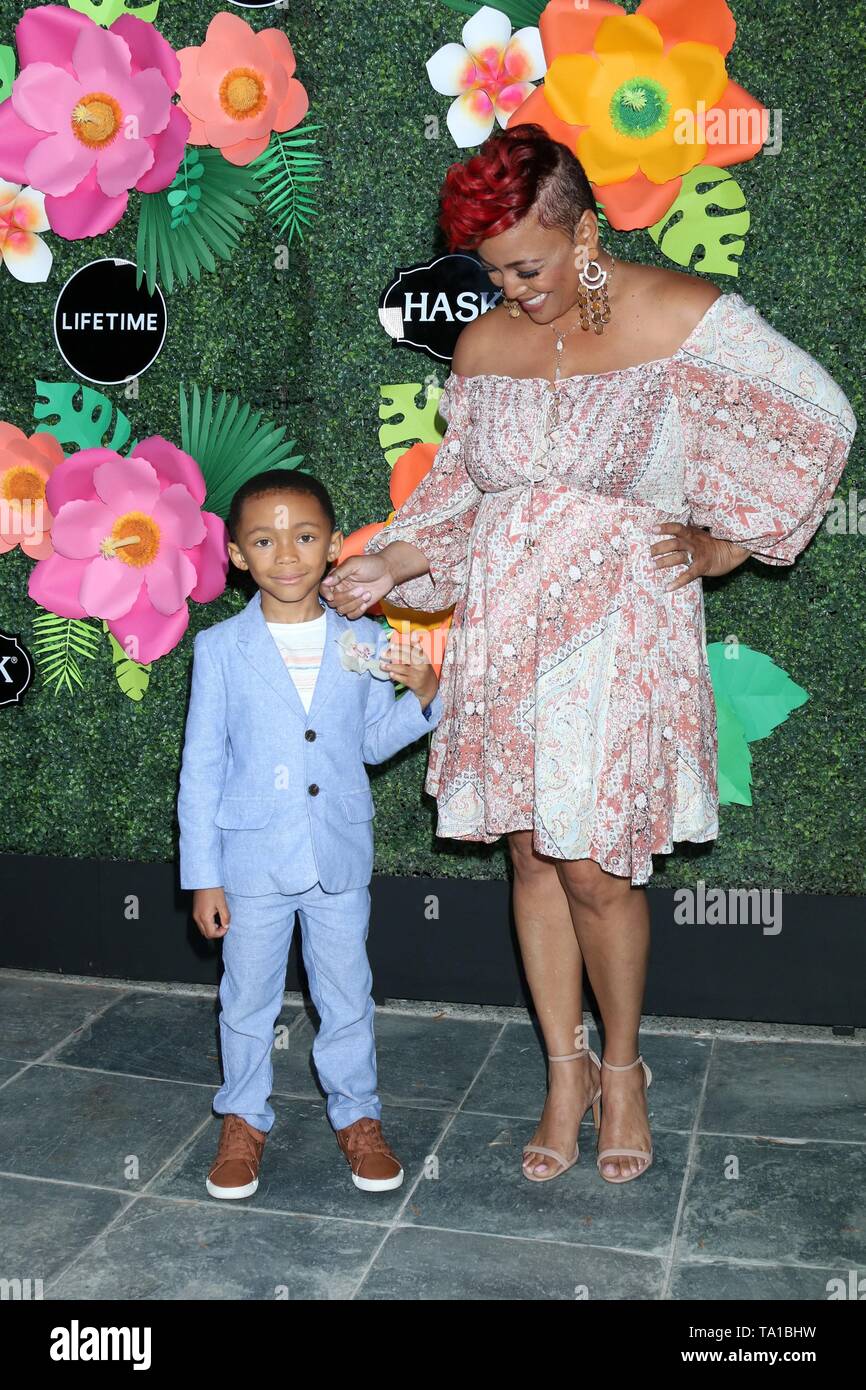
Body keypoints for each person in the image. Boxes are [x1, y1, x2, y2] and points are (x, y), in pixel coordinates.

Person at [320, 124, 857, 1185]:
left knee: (593, 864)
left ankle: (621, 1069)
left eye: (527, 264)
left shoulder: (681, 317)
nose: (510, 289)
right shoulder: (478, 349)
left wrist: (721, 540)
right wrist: (392, 566)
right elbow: (470, 501)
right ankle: (560, 1073)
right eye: (491, 270)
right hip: (508, 623)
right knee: (527, 853)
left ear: (584, 230)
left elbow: (817, 414)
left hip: (621, 626)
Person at [177, 468, 442, 1198]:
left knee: (347, 994)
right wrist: (203, 875)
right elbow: (201, 769)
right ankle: (242, 1120)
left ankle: (358, 1118)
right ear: (236, 554)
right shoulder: (221, 650)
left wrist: (425, 694)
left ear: (332, 547)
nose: (286, 554)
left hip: (337, 856)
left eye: (304, 536)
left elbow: (367, 741)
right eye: (264, 540)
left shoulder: (363, 638)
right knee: (247, 1001)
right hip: (251, 861)